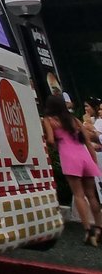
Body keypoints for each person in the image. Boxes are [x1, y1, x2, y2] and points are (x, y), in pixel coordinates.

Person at [44, 93, 102, 246]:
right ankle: (99, 227)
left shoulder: (49, 120)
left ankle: (88, 230)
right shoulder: (75, 120)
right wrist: (94, 162)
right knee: (92, 195)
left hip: (69, 158)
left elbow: (50, 140)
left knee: (78, 195)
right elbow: (88, 142)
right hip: (85, 156)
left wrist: (52, 142)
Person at [85, 97, 102, 202]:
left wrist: (93, 130)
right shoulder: (91, 121)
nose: (100, 111)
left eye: (87, 106)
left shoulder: (98, 122)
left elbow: (95, 137)